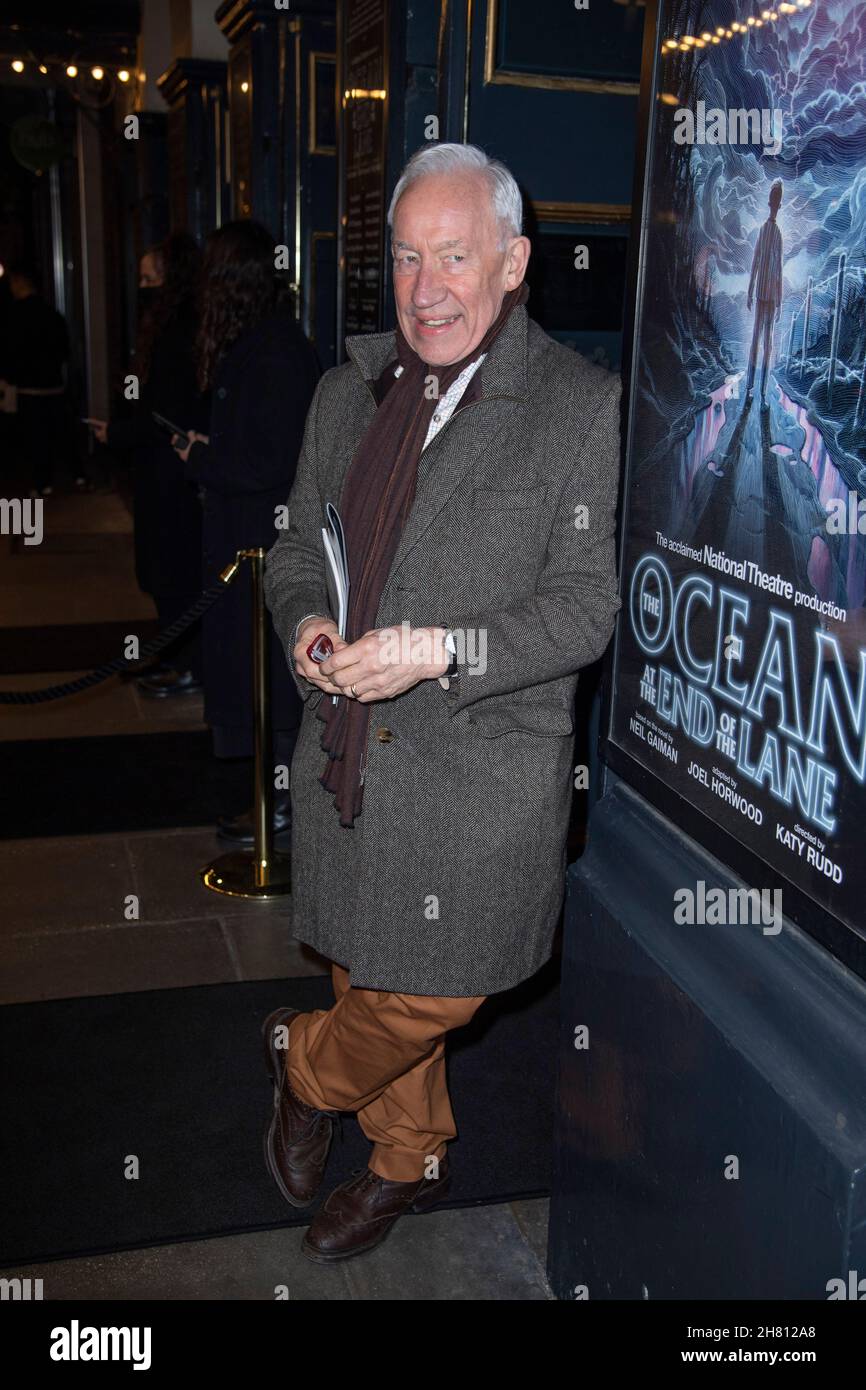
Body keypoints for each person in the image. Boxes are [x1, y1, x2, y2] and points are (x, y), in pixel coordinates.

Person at [262, 142, 622, 1262]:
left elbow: (586, 607)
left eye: (455, 256)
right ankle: (405, 1157)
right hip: (345, 754)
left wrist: (436, 649)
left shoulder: (578, 406)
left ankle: (304, 1068)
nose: (426, 289)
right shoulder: (347, 388)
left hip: (483, 777)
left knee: (436, 989)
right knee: (372, 966)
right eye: (408, 257)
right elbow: (289, 551)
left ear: (513, 262)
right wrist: (307, 630)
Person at [172, 220, 320, 842]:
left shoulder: (277, 350)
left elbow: (271, 460)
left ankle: (281, 809)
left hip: (267, 546)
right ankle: (271, 802)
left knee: (274, 686)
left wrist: (200, 458)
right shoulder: (264, 343)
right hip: (249, 539)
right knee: (259, 682)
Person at [86, 234, 206, 697]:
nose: (143, 288)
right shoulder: (164, 330)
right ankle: (172, 654)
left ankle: (186, 664)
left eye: (150, 279)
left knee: (173, 572)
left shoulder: (180, 331)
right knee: (160, 572)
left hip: (173, 474)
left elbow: (164, 411)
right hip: (156, 470)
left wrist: (118, 434)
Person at [5, 263, 70, 497]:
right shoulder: (52, 314)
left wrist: (9, 377)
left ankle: (41, 481)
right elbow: (64, 350)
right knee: (55, 433)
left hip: (28, 388)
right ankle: (69, 476)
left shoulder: (14, 316)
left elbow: (9, 352)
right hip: (52, 385)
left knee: (34, 438)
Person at [745, 178, 784, 410]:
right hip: (762, 296)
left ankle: (760, 389)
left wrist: (778, 301)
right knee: (758, 341)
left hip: (766, 297)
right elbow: (756, 261)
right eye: (774, 200)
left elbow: (777, 268)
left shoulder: (776, 233)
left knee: (765, 343)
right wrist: (750, 291)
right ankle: (753, 387)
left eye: (776, 201)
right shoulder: (767, 230)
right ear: (772, 203)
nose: (775, 204)